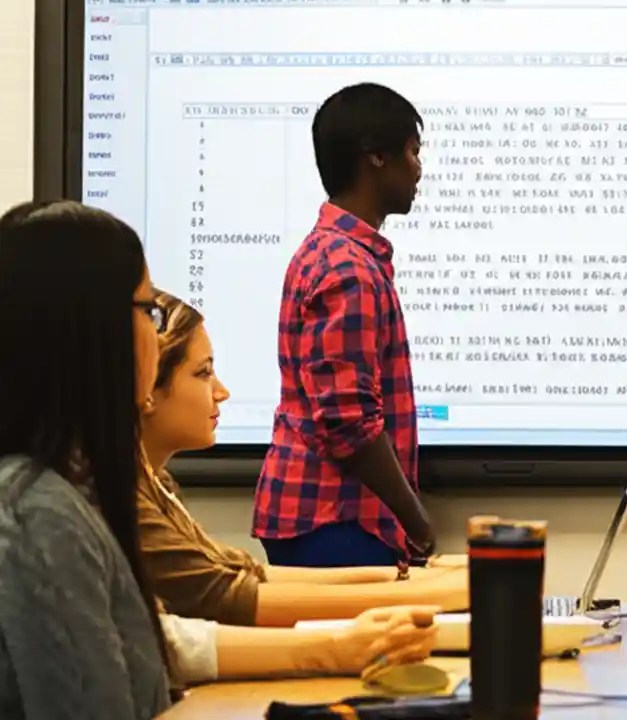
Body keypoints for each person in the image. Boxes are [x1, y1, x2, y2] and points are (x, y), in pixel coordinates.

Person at [0, 201, 439, 719]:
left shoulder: (63, 492)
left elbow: (164, 642)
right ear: (96, 331)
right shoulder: (42, 516)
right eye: (149, 312)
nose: (155, 331)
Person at [140, 291, 467, 627]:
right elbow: (222, 595)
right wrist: (437, 591)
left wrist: (415, 581)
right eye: (203, 373)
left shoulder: (157, 484)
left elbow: (239, 574)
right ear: (146, 385)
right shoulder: (121, 497)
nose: (222, 392)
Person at [255, 82, 435, 567]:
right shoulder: (348, 268)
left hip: (325, 517)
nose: (419, 170)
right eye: (412, 153)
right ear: (375, 157)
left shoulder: (330, 252)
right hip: (333, 521)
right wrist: (418, 525)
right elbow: (348, 421)